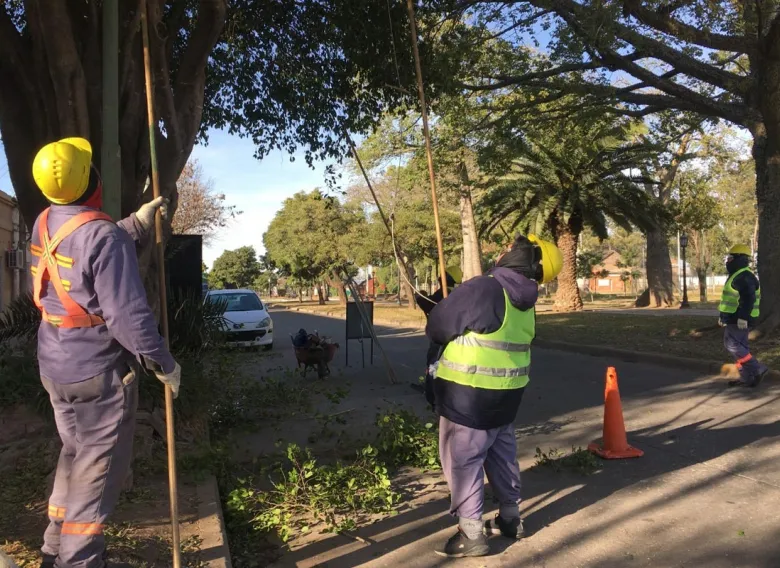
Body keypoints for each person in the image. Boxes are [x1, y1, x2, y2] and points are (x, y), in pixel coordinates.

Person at [29, 137, 180, 568]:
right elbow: (128, 317)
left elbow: (83, 249)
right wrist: (163, 364)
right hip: (98, 375)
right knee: (96, 477)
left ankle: (53, 550)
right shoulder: (102, 238)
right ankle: (79, 561)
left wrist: (134, 222)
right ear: (92, 179)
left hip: (56, 367)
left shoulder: (43, 224)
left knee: (75, 454)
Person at [425, 234, 562, 558]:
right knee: (501, 454)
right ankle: (511, 519)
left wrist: (444, 304)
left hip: (468, 398)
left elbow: (438, 326)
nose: (504, 250)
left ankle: (471, 535)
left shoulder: (485, 288)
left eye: (511, 247)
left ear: (523, 257)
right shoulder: (526, 303)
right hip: (506, 398)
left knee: (465, 461)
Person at [719, 244, 768, 387]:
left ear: (740, 259)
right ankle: (747, 377)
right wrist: (723, 316)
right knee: (741, 348)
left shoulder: (744, 276)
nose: (728, 261)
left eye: (731, 258)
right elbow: (731, 300)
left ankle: (757, 368)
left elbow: (748, 299)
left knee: (732, 345)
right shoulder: (738, 275)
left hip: (739, 319)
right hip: (734, 318)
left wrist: (743, 317)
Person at [413, 266, 462, 406]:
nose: (440, 278)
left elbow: (428, 305)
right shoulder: (458, 293)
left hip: (441, 336)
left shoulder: (444, 294)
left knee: (433, 364)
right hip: (454, 335)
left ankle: (432, 395)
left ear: (447, 279)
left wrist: (419, 297)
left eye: (443, 276)